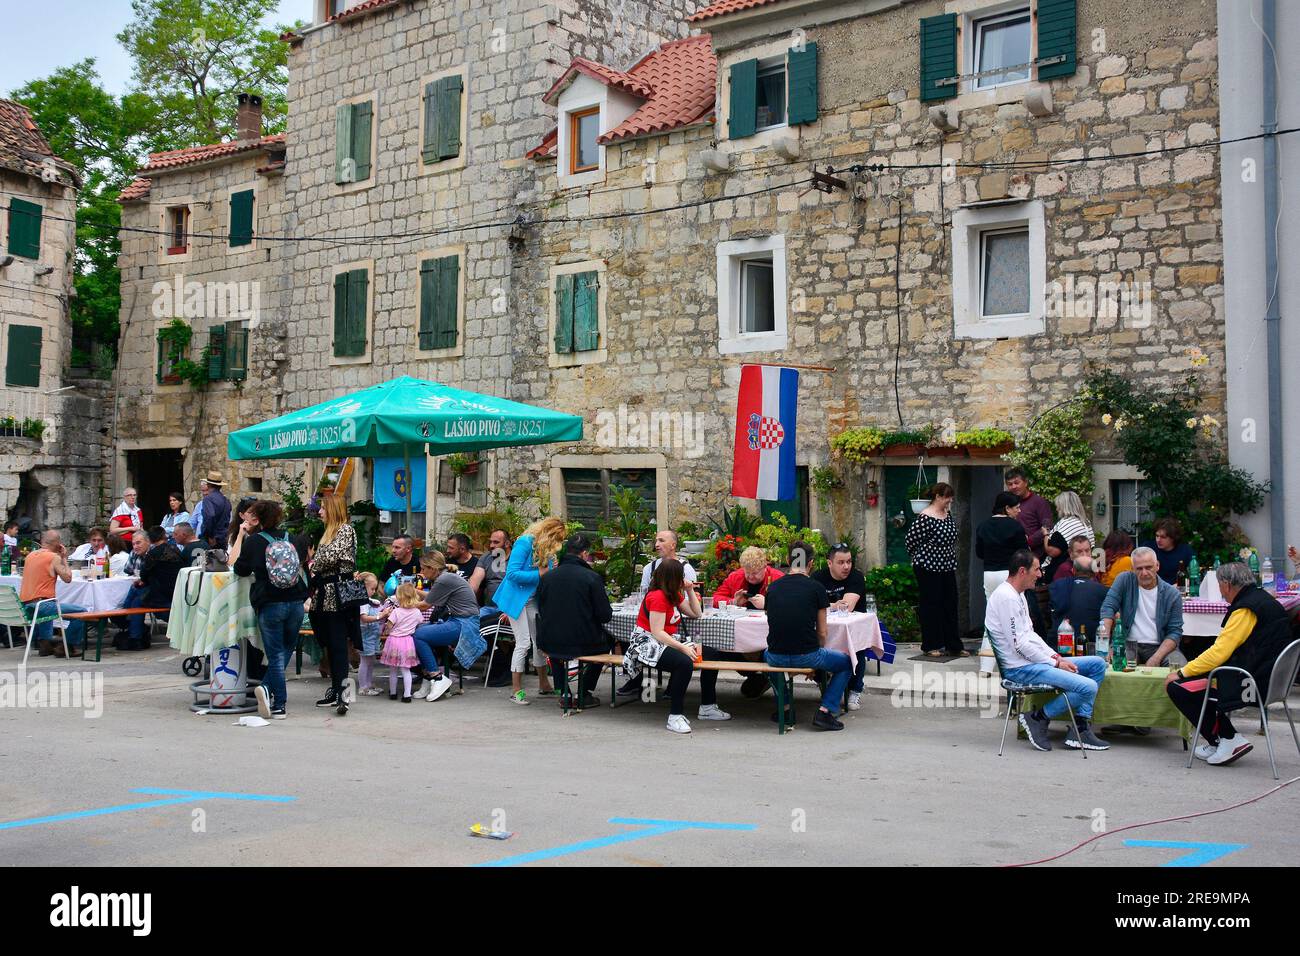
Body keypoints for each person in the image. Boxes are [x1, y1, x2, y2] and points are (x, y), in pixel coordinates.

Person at [1167, 562, 1296, 766]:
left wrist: (1182, 672)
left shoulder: (1245, 609)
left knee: (1177, 687)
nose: (1220, 590)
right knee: (1199, 678)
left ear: (1226, 585)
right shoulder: (1263, 599)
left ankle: (1227, 739)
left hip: (1254, 683)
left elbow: (1219, 653)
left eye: (1219, 585)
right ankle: (1219, 741)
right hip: (1274, 680)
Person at [986, 549, 1110, 752]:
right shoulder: (1007, 598)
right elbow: (1020, 645)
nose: (1040, 574)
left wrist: (1055, 656)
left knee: (1097, 664)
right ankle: (1039, 717)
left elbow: (1031, 635)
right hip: (1020, 669)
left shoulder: (1018, 595)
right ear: (1022, 571)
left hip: (1033, 662)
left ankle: (1080, 727)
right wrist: (1055, 663)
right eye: (1037, 570)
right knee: (1088, 687)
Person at [231, 500, 309, 720]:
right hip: (295, 602)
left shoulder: (254, 542)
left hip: (270, 602)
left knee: (274, 654)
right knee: (285, 650)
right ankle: (266, 689)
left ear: (259, 519)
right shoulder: (290, 538)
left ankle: (278, 704)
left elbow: (240, 570)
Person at [763, 541, 850, 732]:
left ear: (788, 560)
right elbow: (822, 632)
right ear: (810, 563)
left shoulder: (773, 588)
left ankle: (785, 708)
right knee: (846, 663)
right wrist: (815, 661)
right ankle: (825, 711)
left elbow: (773, 620)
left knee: (765, 656)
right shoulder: (816, 588)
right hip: (807, 654)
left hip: (776, 655)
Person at [622, 558, 713, 733]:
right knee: (683, 663)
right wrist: (682, 648)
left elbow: (697, 613)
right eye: (681, 577)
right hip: (645, 643)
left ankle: (708, 706)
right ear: (674, 578)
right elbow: (657, 632)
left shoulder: (673, 593)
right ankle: (675, 715)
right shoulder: (657, 596)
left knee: (710, 653)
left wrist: (689, 590)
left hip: (665, 639)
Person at [537, 532, 614, 708]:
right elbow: (605, 616)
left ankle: (564, 691)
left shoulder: (548, 577)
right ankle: (583, 691)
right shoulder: (592, 577)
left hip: (549, 640)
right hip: (583, 642)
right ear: (585, 554)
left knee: (557, 649)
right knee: (608, 639)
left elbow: (542, 608)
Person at [493, 517, 565, 704]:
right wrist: (540, 574)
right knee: (523, 643)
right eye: (557, 538)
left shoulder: (546, 550)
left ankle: (544, 684)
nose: (559, 543)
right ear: (548, 535)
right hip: (516, 599)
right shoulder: (525, 542)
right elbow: (512, 574)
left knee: (539, 641)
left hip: (533, 599)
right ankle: (516, 690)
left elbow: (547, 575)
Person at [309, 493, 358, 715]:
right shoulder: (329, 533)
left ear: (333, 509)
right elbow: (321, 560)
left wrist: (316, 562)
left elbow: (327, 558)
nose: (319, 512)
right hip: (325, 593)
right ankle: (336, 689)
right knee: (329, 642)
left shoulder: (345, 530)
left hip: (338, 594)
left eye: (323, 508)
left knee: (339, 644)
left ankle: (344, 694)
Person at [905, 482, 965, 659]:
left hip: (946, 564)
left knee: (950, 602)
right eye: (947, 497)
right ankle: (931, 644)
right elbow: (910, 540)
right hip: (928, 565)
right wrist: (921, 556)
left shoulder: (947, 514)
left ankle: (953, 644)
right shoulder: (925, 517)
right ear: (938, 496)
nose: (950, 500)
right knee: (931, 604)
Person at [1098, 546, 1185, 666]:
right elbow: (1108, 608)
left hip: (1161, 646)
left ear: (1157, 566)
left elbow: (1175, 632)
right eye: (1139, 569)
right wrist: (1104, 645)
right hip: (1128, 643)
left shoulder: (1172, 594)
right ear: (1133, 569)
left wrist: (1156, 658)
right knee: (1117, 664)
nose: (1144, 573)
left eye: (1149, 567)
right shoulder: (1124, 580)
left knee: (1179, 666)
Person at [410, 550, 477, 702]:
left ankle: (437, 677)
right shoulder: (446, 577)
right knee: (420, 630)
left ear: (432, 568)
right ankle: (428, 678)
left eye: (423, 568)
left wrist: (402, 602)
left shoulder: (443, 579)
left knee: (419, 635)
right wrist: (415, 592)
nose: (421, 572)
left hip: (464, 624)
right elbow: (433, 598)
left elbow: (425, 606)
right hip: (461, 621)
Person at [813, 543, 870, 710]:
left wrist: (824, 605)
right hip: (825, 625)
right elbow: (809, 603)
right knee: (812, 644)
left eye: (849, 561)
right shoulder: (817, 577)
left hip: (852, 628)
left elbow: (847, 606)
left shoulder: (856, 577)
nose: (846, 566)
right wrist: (832, 605)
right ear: (829, 563)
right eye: (841, 562)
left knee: (856, 649)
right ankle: (825, 681)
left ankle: (855, 689)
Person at [19, 531, 86, 657]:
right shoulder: (53, 557)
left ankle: (45, 644)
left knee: (48, 602)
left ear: (43, 541)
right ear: (57, 543)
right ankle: (67, 646)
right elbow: (68, 578)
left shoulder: (30, 556)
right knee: (82, 612)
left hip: (26, 606)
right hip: (41, 606)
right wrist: (64, 558)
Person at [118, 526, 182, 650]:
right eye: (134, 543)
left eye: (139, 543)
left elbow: (144, 577)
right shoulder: (173, 549)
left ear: (149, 541)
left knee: (137, 598)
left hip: (164, 594)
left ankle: (129, 628)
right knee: (137, 593)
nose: (136, 546)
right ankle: (131, 629)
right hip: (171, 590)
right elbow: (132, 572)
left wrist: (141, 581)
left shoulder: (153, 554)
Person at [976, 492, 1029, 598]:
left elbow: (980, 553)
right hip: (1011, 572)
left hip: (989, 574)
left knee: (992, 608)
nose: (1019, 510)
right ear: (1007, 508)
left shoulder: (982, 526)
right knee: (1014, 606)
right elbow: (1024, 553)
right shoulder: (1015, 526)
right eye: (1017, 507)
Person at [378, 583, 424, 702]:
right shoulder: (417, 612)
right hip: (407, 641)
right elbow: (420, 623)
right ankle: (407, 695)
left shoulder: (396, 612)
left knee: (393, 669)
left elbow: (389, 626)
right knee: (406, 669)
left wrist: (386, 628)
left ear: (400, 597)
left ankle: (393, 693)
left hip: (393, 641)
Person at [1050, 556, 1109, 644]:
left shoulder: (1057, 586)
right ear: (1096, 572)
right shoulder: (1104, 591)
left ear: (1073, 571)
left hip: (1059, 642)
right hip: (1091, 643)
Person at [712, 546, 783, 609]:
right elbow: (715, 599)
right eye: (747, 573)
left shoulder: (778, 578)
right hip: (741, 623)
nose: (751, 577)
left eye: (755, 573)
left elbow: (790, 604)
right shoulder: (735, 577)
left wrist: (767, 604)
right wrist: (733, 602)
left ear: (765, 567)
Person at [1044, 491, 1095, 578]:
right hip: (1084, 567)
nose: (1057, 509)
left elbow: (1052, 551)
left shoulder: (1065, 524)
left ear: (1064, 507)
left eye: (1058, 506)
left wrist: (1046, 535)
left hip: (1064, 571)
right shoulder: (1086, 522)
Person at [1005, 468, 1052, 562]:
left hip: (1035, 558)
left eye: (1016, 483)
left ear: (1026, 482)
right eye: (1010, 484)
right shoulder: (1007, 505)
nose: (1013, 486)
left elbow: (1047, 526)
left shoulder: (1039, 502)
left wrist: (1028, 542)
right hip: (1013, 557)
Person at [1143, 517, 1195, 586]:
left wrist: (1180, 585)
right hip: (1152, 588)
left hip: (1177, 590)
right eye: (1157, 536)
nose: (1158, 540)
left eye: (1163, 537)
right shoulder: (1149, 548)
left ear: (1173, 538)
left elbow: (1193, 575)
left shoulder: (1185, 551)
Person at [356, 572, 384, 696]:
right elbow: (364, 618)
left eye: (374, 589)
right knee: (365, 660)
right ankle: (363, 687)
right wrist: (380, 615)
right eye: (371, 589)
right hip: (366, 635)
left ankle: (369, 683)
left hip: (373, 634)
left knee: (370, 660)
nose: (373, 591)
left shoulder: (370, 601)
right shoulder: (362, 603)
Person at [468, 529, 510, 607]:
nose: (491, 546)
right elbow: (475, 580)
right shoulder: (487, 557)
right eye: (490, 542)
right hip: (489, 608)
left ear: (507, 544)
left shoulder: (515, 559)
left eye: (496, 542)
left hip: (509, 610)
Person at [194, 471, 232, 549]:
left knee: (205, 560)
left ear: (208, 485)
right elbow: (227, 521)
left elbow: (210, 516)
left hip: (210, 539)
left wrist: (210, 536)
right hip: (222, 538)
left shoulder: (208, 499)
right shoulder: (226, 500)